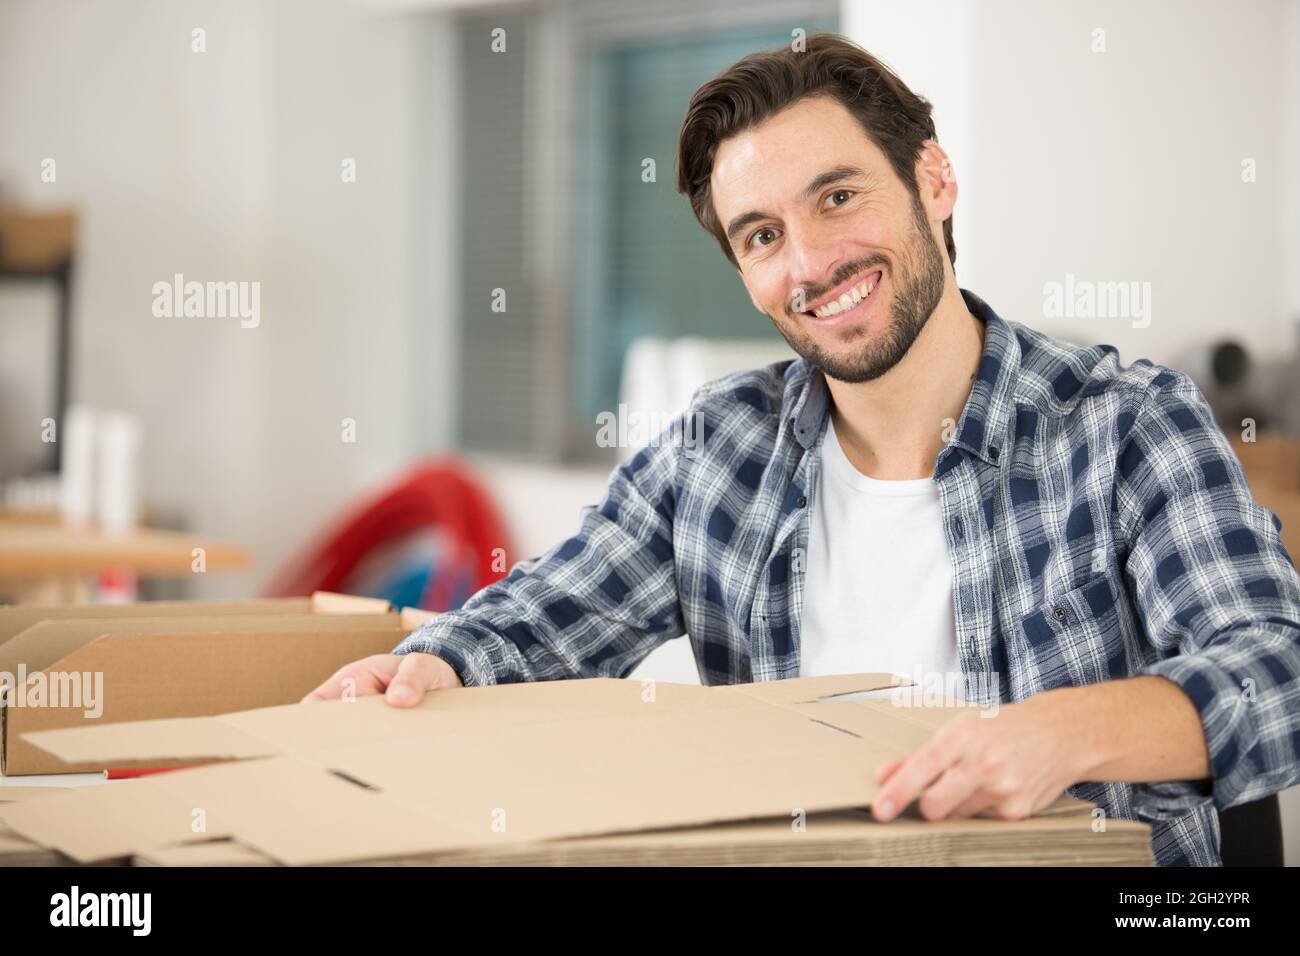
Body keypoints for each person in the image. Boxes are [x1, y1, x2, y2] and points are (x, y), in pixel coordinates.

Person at [306, 33, 1300, 867]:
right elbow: (547, 613)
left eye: (836, 198)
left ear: (934, 178)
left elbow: (1279, 671)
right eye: (760, 235)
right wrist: (430, 665)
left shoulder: (1126, 423)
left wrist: (1065, 730)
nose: (811, 264)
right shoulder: (715, 450)